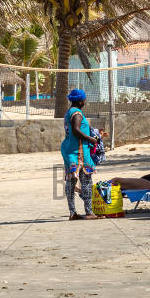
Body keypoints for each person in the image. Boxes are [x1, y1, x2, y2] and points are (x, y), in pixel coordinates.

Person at [60, 87, 106, 220]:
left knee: (71, 181)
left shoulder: (69, 112)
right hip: (79, 151)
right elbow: (76, 130)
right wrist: (91, 139)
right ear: (80, 101)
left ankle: (72, 212)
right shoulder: (77, 114)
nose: (85, 101)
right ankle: (89, 212)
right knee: (86, 181)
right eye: (84, 99)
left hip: (70, 150)